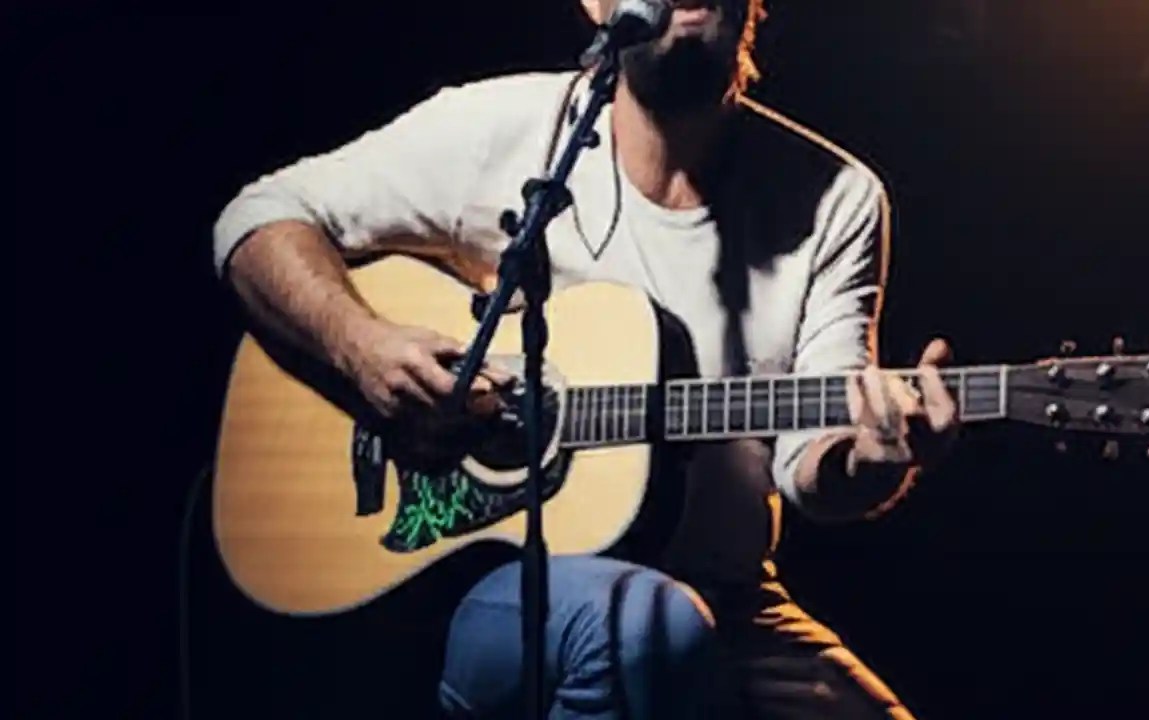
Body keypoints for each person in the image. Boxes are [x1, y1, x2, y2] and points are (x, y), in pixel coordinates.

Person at [212, 1, 959, 717]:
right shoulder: (498, 130)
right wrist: (361, 347)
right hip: (495, 582)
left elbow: (812, 469)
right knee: (642, 624)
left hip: (729, 598)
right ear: (595, 3)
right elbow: (258, 220)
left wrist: (875, 458)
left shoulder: (836, 198)